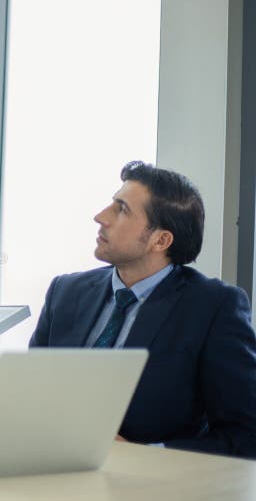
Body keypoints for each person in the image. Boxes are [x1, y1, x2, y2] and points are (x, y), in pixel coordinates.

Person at [30, 161, 256, 457]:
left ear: (160, 240)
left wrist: (144, 456)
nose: (100, 217)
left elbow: (245, 435)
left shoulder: (213, 307)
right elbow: (31, 397)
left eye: (122, 209)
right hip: (48, 470)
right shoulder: (65, 292)